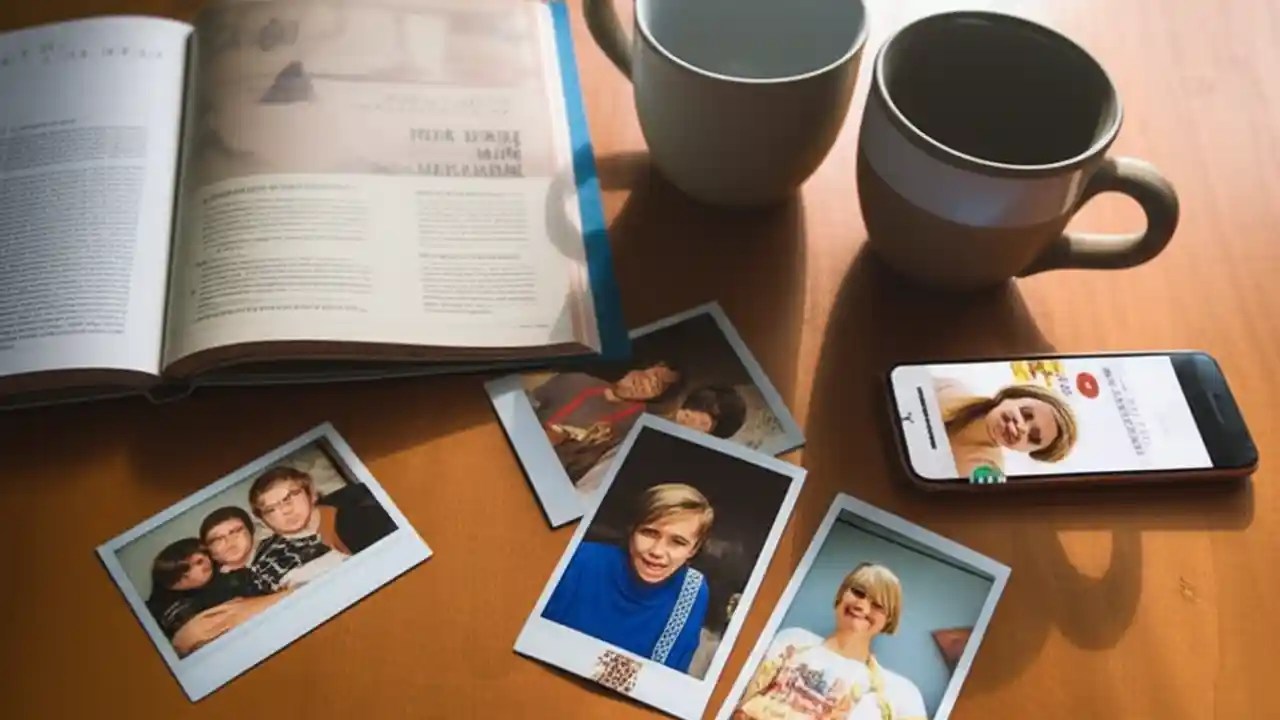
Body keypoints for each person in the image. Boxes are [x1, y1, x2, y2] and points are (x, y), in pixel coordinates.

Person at [542, 483, 713, 673]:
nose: (657, 551)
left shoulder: (692, 590)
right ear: (632, 530)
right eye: (649, 533)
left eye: (677, 542)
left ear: (694, 549)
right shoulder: (579, 559)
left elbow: (664, 678)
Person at [731, 563, 927, 720]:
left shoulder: (899, 693)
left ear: (889, 620)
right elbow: (736, 697)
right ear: (841, 595)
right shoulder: (791, 641)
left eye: (877, 605)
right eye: (858, 592)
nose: (862, 605)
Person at [572, 385, 748, 495]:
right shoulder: (646, 418)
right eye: (695, 406)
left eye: (703, 422)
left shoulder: (677, 461)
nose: (691, 416)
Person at [529, 362, 683, 484]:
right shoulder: (577, 380)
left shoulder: (631, 428)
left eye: (656, 386)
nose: (645, 383)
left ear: (655, 398)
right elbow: (526, 404)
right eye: (652, 374)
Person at [249, 467, 397, 592]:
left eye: (290, 497)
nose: (285, 510)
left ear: (311, 493)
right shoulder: (268, 558)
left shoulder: (362, 509)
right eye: (271, 509)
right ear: (263, 520)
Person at [145, 538, 281, 657]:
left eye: (203, 556)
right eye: (187, 567)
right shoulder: (153, 609)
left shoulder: (237, 578)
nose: (203, 562)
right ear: (176, 581)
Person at [933, 377, 1079, 478]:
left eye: (1032, 438)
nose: (1022, 428)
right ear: (1011, 397)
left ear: (1027, 451)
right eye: (1026, 413)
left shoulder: (989, 473)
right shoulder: (949, 388)